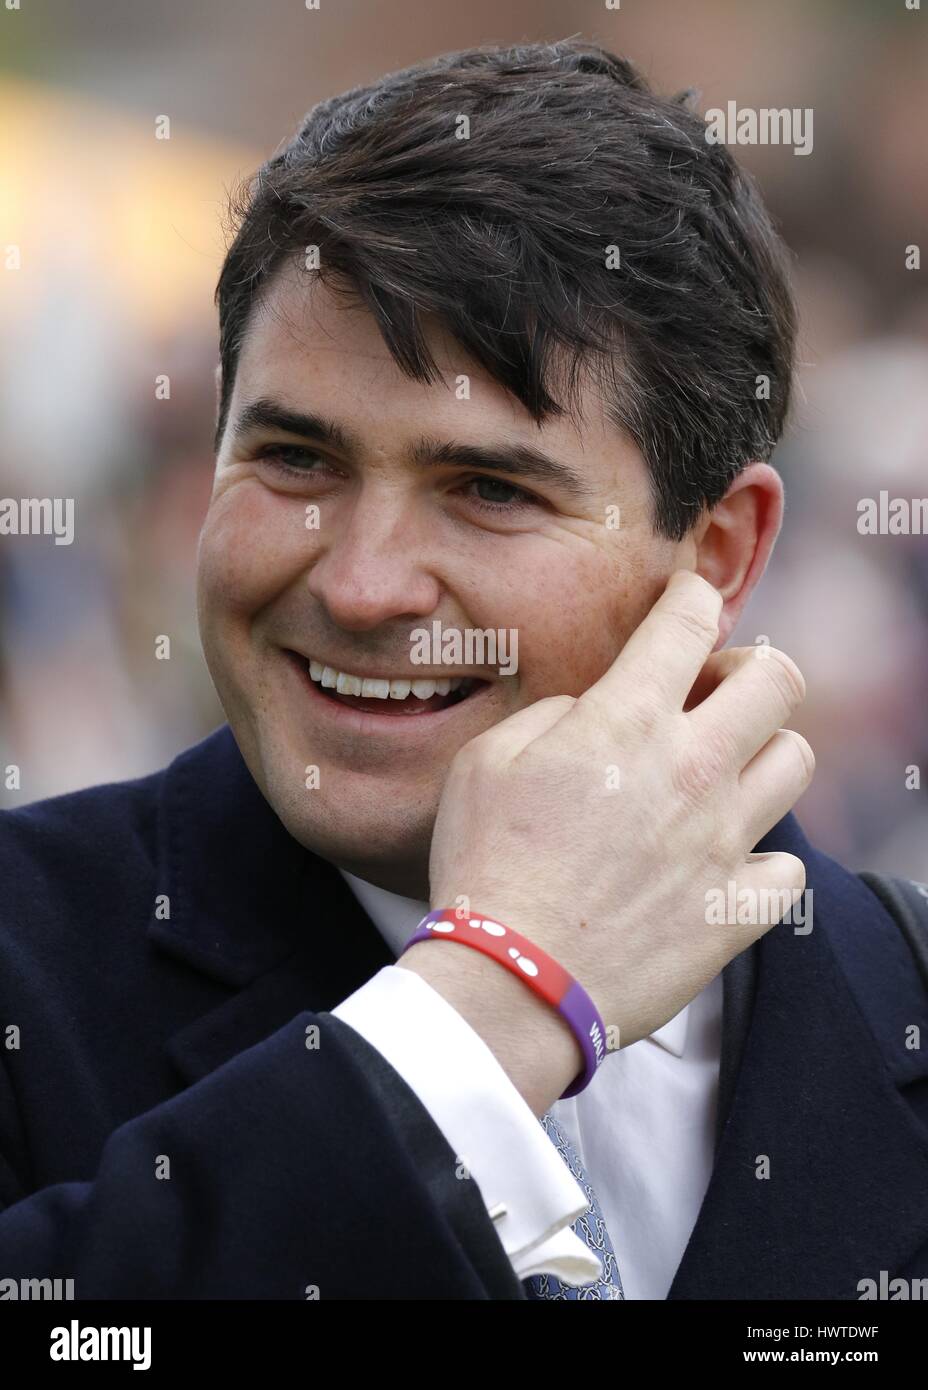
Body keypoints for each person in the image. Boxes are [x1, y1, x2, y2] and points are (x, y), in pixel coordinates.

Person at [1, 38, 925, 1302]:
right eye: (295, 462)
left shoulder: (899, 1000)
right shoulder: (28, 955)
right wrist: (484, 1015)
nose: (362, 582)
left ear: (716, 550)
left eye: (487, 489)